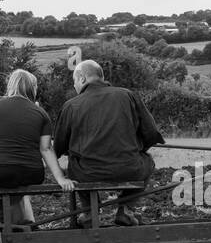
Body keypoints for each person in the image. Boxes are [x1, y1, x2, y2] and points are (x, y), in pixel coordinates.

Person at [53, 59, 165, 225]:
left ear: (82, 79)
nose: (75, 86)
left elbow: (59, 146)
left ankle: (90, 212)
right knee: (148, 161)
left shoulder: (70, 106)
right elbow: (150, 133)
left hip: (87, 173)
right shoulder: (128, 95)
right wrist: (137, 149)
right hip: (129, 169)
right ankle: (126, 209)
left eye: (74, 81)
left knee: (73, 164)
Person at [0, 69, 74, 225]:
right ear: (32, 88)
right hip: (33, 174)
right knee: (17, 188)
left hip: (0, 173)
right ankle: (24, 220)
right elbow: (46, 149)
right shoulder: (41, 113)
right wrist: (60, 178)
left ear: (10, 86)